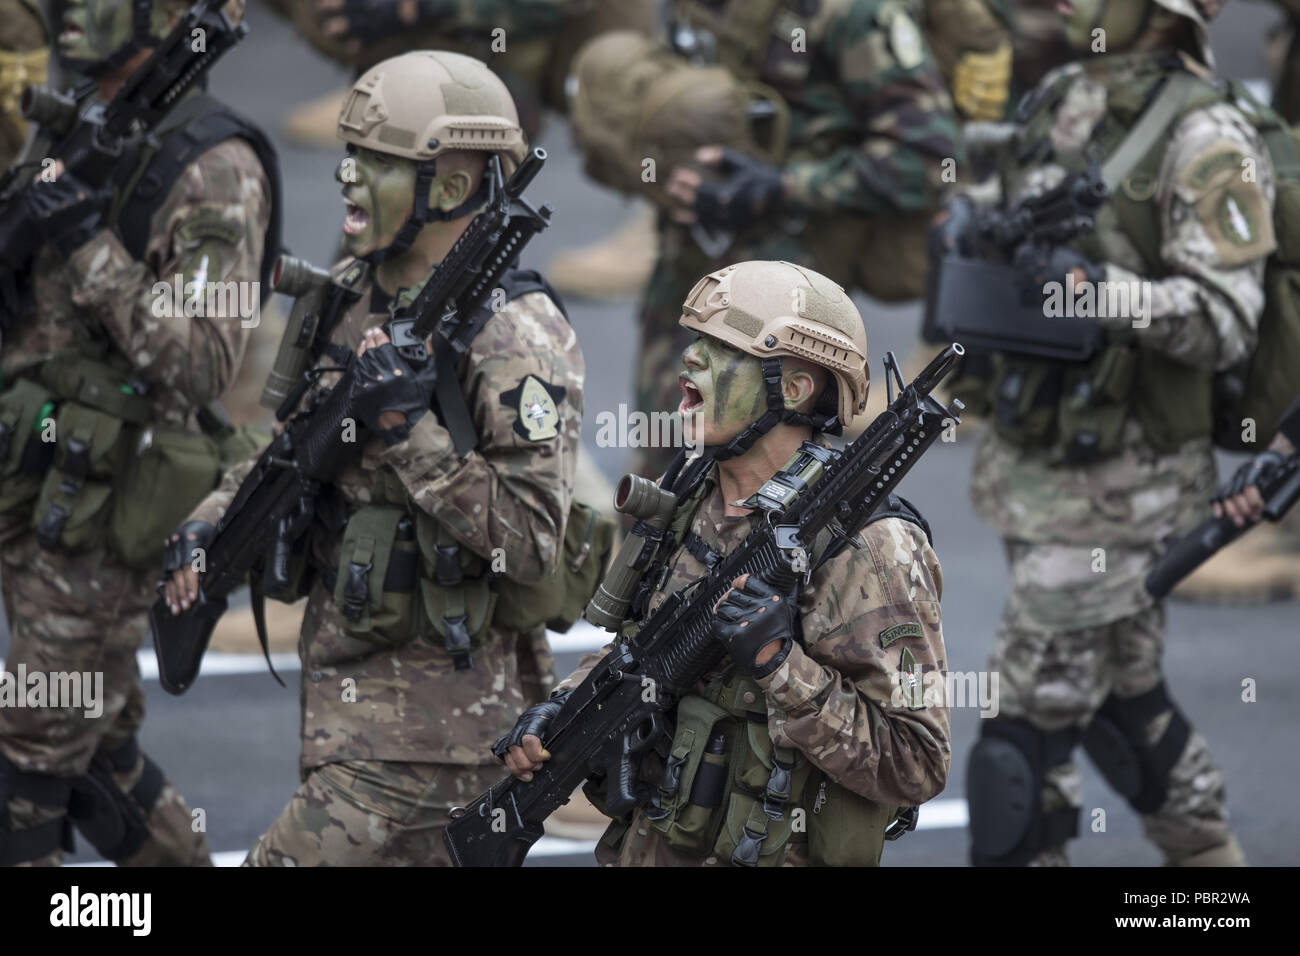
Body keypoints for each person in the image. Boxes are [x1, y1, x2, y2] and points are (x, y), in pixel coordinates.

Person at [163, 50, 585, 866]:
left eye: (376, 163)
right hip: (353, 708)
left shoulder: (515, 334)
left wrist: (409, 433)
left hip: (439, 737)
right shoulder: (357, 291)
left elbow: (532, 542)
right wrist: (209, 527)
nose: (346, 178)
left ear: (452, 189)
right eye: (351, 156)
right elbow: (290, 445)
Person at [497, 259, 950, 867]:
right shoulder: (693, 489)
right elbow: (645, 649)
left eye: (720, 348)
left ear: (791, 390)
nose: (690, 358)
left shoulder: (869, 547)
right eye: (696, 340)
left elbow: (916, 763)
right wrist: (566, 704)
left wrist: (780, 666)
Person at [957, 0, 1262, 866]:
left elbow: (1224, 318)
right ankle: (1209, 872)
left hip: (1128, 488)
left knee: (1020, 740)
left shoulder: (1208, 135)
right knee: (1122, 703)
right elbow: (998, 221)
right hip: (1035, 466)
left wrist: (1099, 293)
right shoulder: (1060, 94)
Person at [0, 0, 277, 866]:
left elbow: (197, 361)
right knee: (102, 754)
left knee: (30, 769)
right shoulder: (82, 117)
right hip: (37, 478)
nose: (65, 16)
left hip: (110, 503)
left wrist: (84, 240)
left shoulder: (215, 168)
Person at [565, 0, 965, 479]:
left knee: (747, 470)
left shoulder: (850, 15)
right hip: (692, 258)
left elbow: (930, 158)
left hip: (782, 291)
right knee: (665, 446)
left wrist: (781, 188)